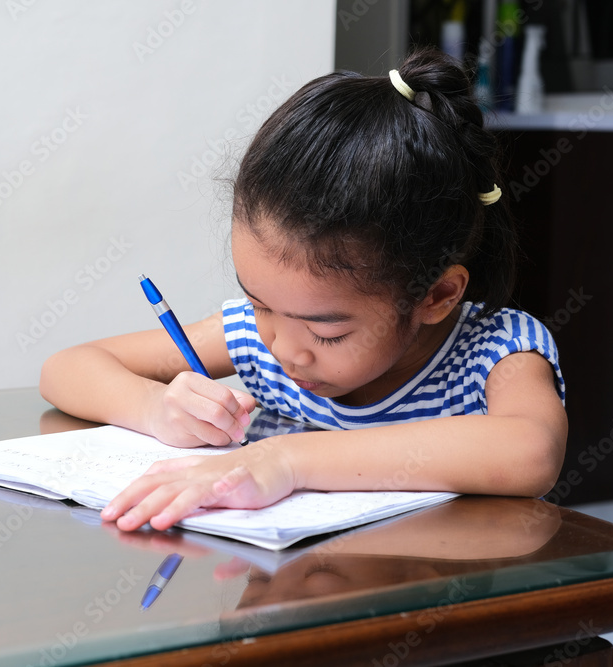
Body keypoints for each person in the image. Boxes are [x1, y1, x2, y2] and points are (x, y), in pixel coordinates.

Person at [39, 48, 567, 533]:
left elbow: (531, 451)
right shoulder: (255, 338)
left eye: (328, 332)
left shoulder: (497, 351)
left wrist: (285, 461)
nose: (283, 349)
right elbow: (66, 368)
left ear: (436, 296)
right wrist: (155, 408)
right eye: (260, 303)